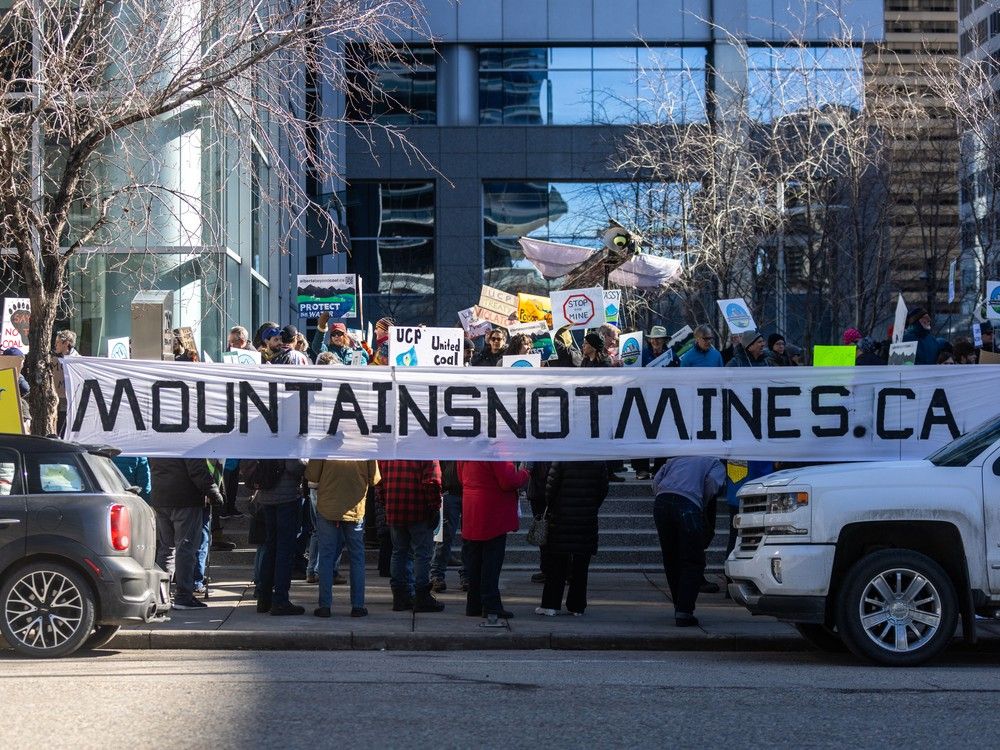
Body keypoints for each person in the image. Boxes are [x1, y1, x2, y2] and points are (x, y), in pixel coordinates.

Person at [651, 456, 725, 627]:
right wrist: (702, 500)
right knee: (693, 560)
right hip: (689, 503)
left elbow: (657, 479)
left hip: (662, 501)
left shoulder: (676, 458)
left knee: (671, 558)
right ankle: (684, 610)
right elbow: (714, 482)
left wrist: (662, 494)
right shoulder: (714, 462)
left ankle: (680, 604)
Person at [304, 458, 380, 618]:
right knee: (357, 557)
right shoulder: (366, 444)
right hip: (355, 509)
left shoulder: (324, 444)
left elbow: (312, 474)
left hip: (328, 508)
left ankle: (325, 605)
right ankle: (358, 605)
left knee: (326, 557)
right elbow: (374, 479)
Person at [535, 461, 609, 617]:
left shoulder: (563, 458)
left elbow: (550, 489)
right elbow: (603, 489)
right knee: (581, 566)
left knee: (557, 564)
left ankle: (550, 605)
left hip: (562, 518)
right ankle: (577, 606)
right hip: (586, 518)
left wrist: (554, 506)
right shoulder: (598, 461)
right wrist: (591, 505)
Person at [149, 458, 225, 610]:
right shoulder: (188, 440)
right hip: (185, 499)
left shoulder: (160, 438)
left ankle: (159, 594)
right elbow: (197, 469)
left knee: (167, 549)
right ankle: (183, 596)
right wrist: (214, 492)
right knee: (185, 549)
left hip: (161, 496)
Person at [459, 460, 530, 620]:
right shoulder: (496, 451)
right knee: (491, 562)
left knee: (475, 563)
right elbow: (508, 481)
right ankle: (491, 604)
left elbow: (459, 476)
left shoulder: (467, 449)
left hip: (471, 508)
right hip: (492, 511)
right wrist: (525, 473)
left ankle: (474, 604)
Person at [379, 459, 445, 612]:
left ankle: (400, 596)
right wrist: (434, 507)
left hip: (394, 508)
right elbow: (432, 482)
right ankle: (422, 595)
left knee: (399, 552)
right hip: (418, 509)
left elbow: (379, 481)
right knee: (421, 554)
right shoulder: (425, 449)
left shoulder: (390, 450)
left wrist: (386, 503)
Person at [254, 459, 308, 615]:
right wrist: (306, 463)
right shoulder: (288, 436)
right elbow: (293, 465)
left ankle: (264, 599)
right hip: (287, 497)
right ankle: (280, 600)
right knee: (285, 550)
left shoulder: (264, 436)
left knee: (271, 547)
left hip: (266, 495)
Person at [431, 460, 467, 593]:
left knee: (466, 538)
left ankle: (465, 575)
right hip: (450, 490)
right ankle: (437, 575)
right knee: (444, 537)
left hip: (464, 489)